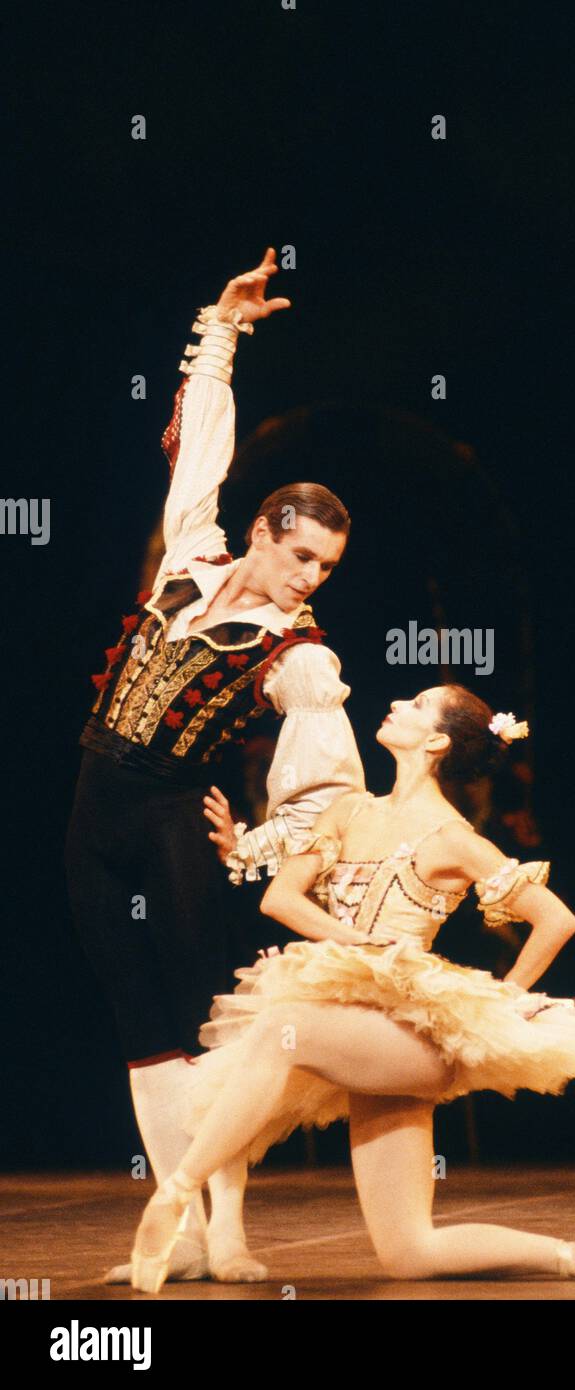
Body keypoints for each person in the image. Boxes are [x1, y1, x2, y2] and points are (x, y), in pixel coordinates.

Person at [129, 685, 575, 1290]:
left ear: (438, 740)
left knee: (276, 1033)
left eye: (418, 704)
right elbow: (279, 897)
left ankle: (176, 1193)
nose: (397, 703)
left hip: (413, 1032)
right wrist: (354, 941)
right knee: (409, 1251)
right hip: (358, 1021)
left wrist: (505, 997)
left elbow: (557, 919)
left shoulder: (452, 837)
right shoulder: (348, 811)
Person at [64, 249, 365, 1284]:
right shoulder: (190, 556)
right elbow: (202, 445)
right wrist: (222, 330)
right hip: (93, 811)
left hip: (173, 827)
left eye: (325, 568)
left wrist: (264, 841)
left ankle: (230, 1229)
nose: (309, 579)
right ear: (264, 533)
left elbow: (329, 783)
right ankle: (175, 1229)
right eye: (301, 557)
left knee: (207, 1024)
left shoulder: (300, 654)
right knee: (142, 1030)